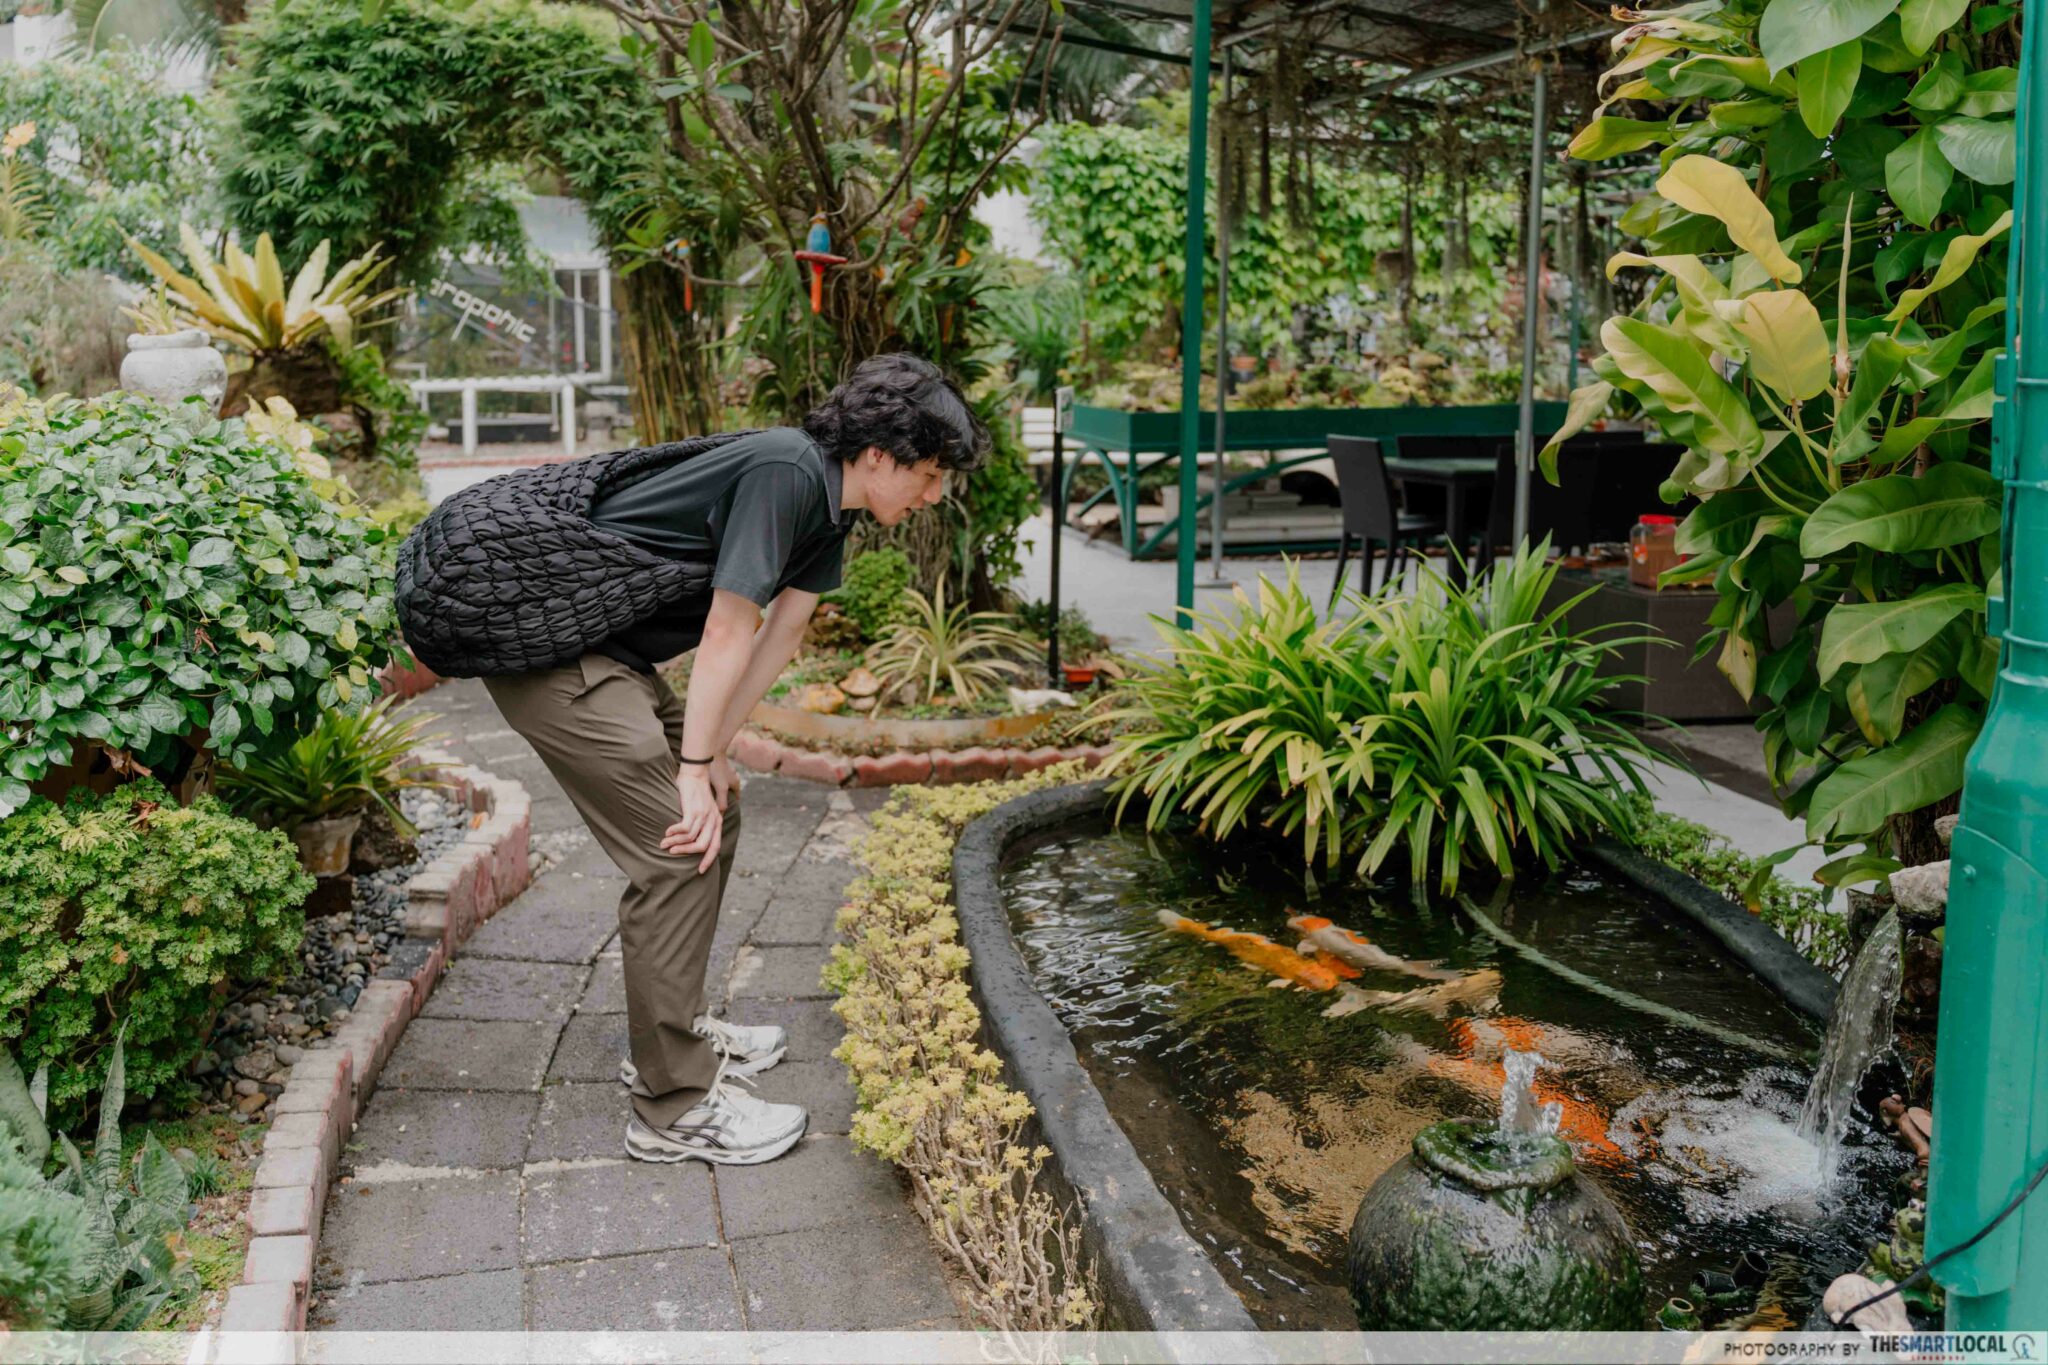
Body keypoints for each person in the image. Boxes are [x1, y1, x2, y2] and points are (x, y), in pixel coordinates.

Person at [461, 354, 987, 1165]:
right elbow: (728, 627)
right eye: (927, 473)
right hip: (553, 659)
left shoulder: (829, 504)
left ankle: (675, 1031)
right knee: (678, 841)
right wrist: (687, 765)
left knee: (717, 808)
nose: (933, 493)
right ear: (878, 455)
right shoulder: (786, 471)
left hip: (605, 654)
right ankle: (671, 1109)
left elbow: (785, 632)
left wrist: (713, 755)